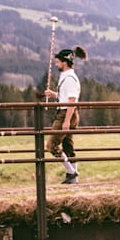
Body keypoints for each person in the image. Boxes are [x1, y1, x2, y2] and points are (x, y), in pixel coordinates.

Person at [43, 45, 86, 184]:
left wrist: (66, 121)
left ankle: (71, 173)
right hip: (69, 112)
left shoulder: (69, 79)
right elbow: (67, 97)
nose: (56, 64)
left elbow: (72, 100)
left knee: (51, 145)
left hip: (66, 113)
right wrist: (55, 95)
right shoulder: (67, 76)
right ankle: (74, 179)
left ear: (64, 62)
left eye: (57, 62)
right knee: (68, 146)